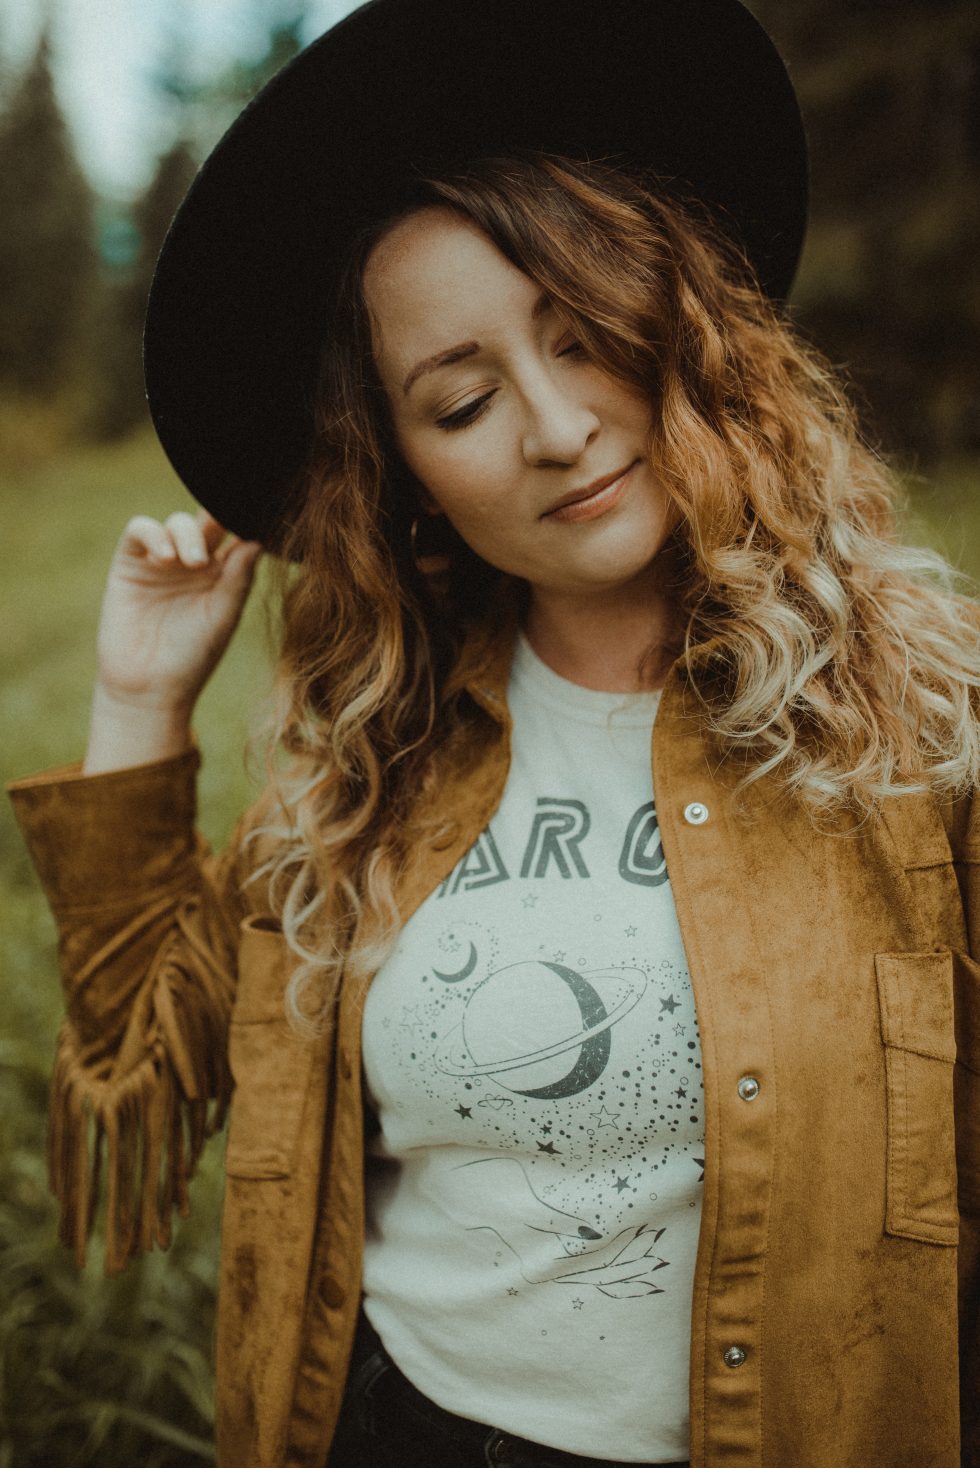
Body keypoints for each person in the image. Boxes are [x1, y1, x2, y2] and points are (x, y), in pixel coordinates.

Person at [7, 1, 980, 1466]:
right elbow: (147, 1056)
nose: (555, 425)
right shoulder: (365, 770)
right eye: (460, 401)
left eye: (584, 338)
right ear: (401, 472)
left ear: (683, 329)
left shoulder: (925, 724)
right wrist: (143, 696)